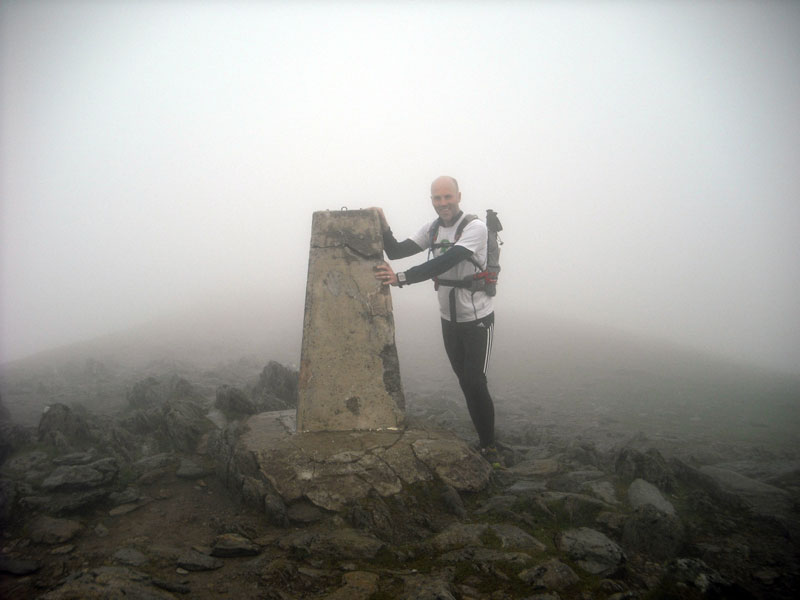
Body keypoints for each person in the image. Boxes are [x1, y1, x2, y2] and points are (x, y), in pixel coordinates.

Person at [373, 176, 501, 467]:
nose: (443, 203)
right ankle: (484, 441)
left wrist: (401, 278)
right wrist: (382, 222)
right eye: (437, 198)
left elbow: (446, 261)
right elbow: (396, 251)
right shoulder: (432, 228)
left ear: (459, 195)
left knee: (474, 382)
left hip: (478, 319)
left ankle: (490, 446)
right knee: (464, 382)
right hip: (448, 320)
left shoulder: (475, 228)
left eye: (447, 197)